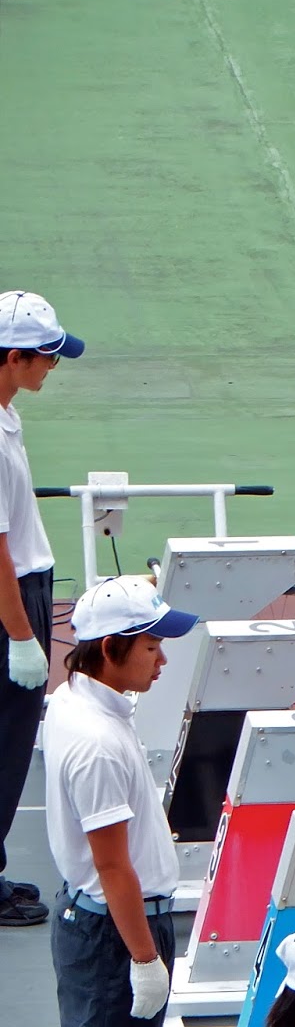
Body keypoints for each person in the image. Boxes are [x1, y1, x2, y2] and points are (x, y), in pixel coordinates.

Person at [31, 576, 198, 1027]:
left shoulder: (75, 704)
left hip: (95, 924)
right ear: (110, 648)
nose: (162, 657)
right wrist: (144, 961)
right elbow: (114, 868)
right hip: (114, 931)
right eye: (153, 644)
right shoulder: (97, 742)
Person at [0, 290, 84, 927]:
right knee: (5, 745)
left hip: (24, 591)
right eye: (46, 357)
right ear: (12, 357)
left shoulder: (7, 414)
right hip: (11, 603)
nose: (52, 368)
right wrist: (22, 635)